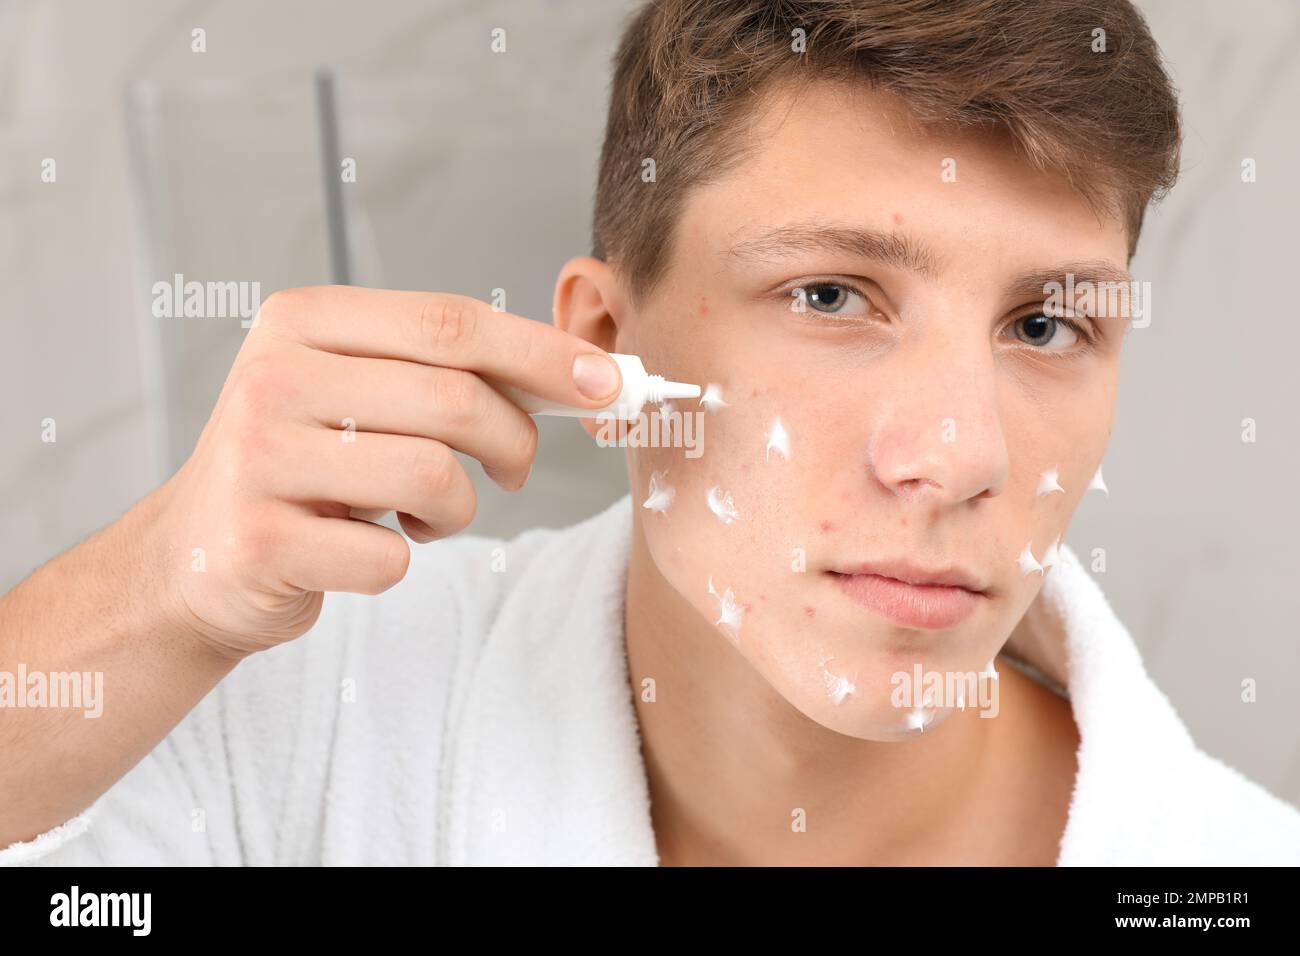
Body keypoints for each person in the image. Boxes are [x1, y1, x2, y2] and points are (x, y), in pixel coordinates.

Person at [3, 0, 1298, 866]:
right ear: (606, 347)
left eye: (1046, 326)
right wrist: (160, 587)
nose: (960, 458)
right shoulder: (310, 715)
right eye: (832, 295)